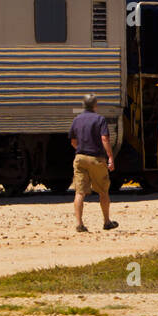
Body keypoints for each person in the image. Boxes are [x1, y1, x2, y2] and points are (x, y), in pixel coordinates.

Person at [70, 94, 117, 232]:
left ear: (83, 105)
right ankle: (107, 222)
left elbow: (73, 141)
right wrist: (110, 157)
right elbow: (104, 138)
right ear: (95, 106)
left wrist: (81, 150)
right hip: (96, 158)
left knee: (79, 192)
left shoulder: (76, 119)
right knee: (103, 191)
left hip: (80, 157)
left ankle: (79, 224)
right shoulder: (100, 119)